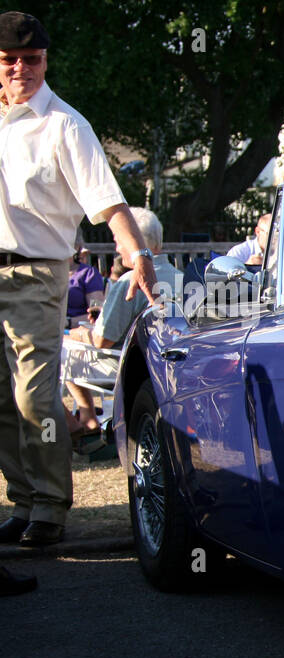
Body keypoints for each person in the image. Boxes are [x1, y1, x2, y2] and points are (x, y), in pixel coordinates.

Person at [0, 11, 159, 549]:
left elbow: (107, 202)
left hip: (34, 272)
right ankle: (22, 501)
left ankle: (48, 504)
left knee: (32, 396)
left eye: (32, 60)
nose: (21, 70)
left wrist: (137, 253)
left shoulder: (66, 124)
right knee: (0, 397)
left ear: (47, 60)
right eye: (9, 61)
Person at [63, 206, 181, 443]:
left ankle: (84, 420)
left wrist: (76, 334)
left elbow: (102, 340)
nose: (117, 248)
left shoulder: (131, 282)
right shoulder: (182, 276)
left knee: (61, 349)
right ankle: (87, 419)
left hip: (127, 366)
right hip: (171, 362)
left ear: (134, 241)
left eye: (118, 240)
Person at [65, 230, 104, 327]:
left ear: (76, 247)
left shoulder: (89, 274)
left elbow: (97, 314)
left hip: (73, 332)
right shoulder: (45, 272)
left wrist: (67, 322)